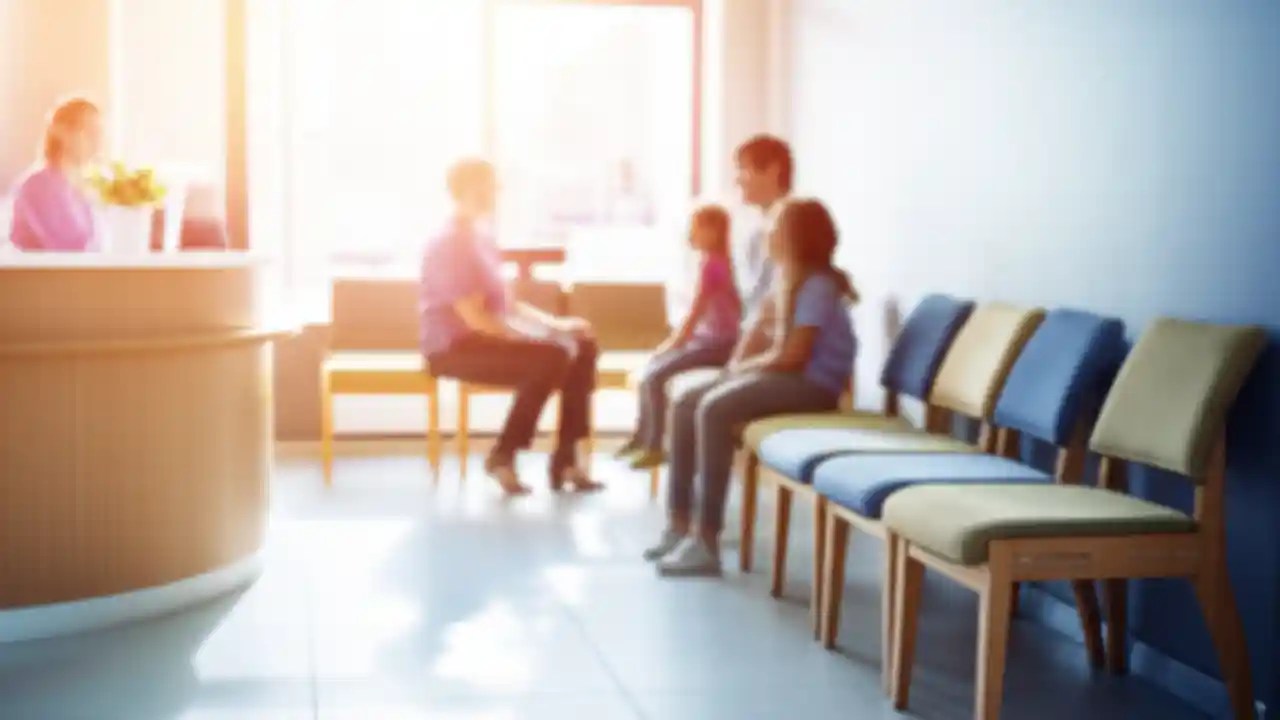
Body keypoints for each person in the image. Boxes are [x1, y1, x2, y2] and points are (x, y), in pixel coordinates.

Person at [645, 198, 858, 577]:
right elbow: (758, 332)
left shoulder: (817, 287)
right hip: (789, 378)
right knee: (686, 401)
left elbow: (792, 356)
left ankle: (706, 540)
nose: (769, 235)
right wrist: (733, 371)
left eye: (776, 229)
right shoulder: (787, 280)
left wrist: (741, 371)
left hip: (813, 387)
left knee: (714, 409)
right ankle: (679, 523)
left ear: (796, 238)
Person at [420, 158, 604, 496]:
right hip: (454, 348)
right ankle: (504, 455)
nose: (497, 191)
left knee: (582, 345)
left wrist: (556, 326)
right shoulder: (451, 243)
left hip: (485, 340)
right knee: (551, 357)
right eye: (491, 185)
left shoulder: (482, 237)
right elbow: (474, 317)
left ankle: (566, 459)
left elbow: (507, 305)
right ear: (470, 189)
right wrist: (534, 338)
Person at [617, 204, 740, 469]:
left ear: (713, 231)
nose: (690, 234)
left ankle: (654, 446)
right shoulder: (714, 262)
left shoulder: (714, 266)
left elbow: (695, 313)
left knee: (655, 376)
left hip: (719, 346)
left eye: (696, 228)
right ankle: (641, 439)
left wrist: (670, 345)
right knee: (651, 371)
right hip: (706, 342)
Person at [8, 97, 104, 251]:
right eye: (89, 132)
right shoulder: (39, 185)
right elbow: (67, 246)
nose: (97, 142)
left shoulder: (78, 188)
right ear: (63, 132)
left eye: (99, 133)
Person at [733, 134, 793, 337]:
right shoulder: (764, 226)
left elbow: (773, 302)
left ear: (772, 171)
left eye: (744, 169)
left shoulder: (790, 225)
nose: (737, 180)